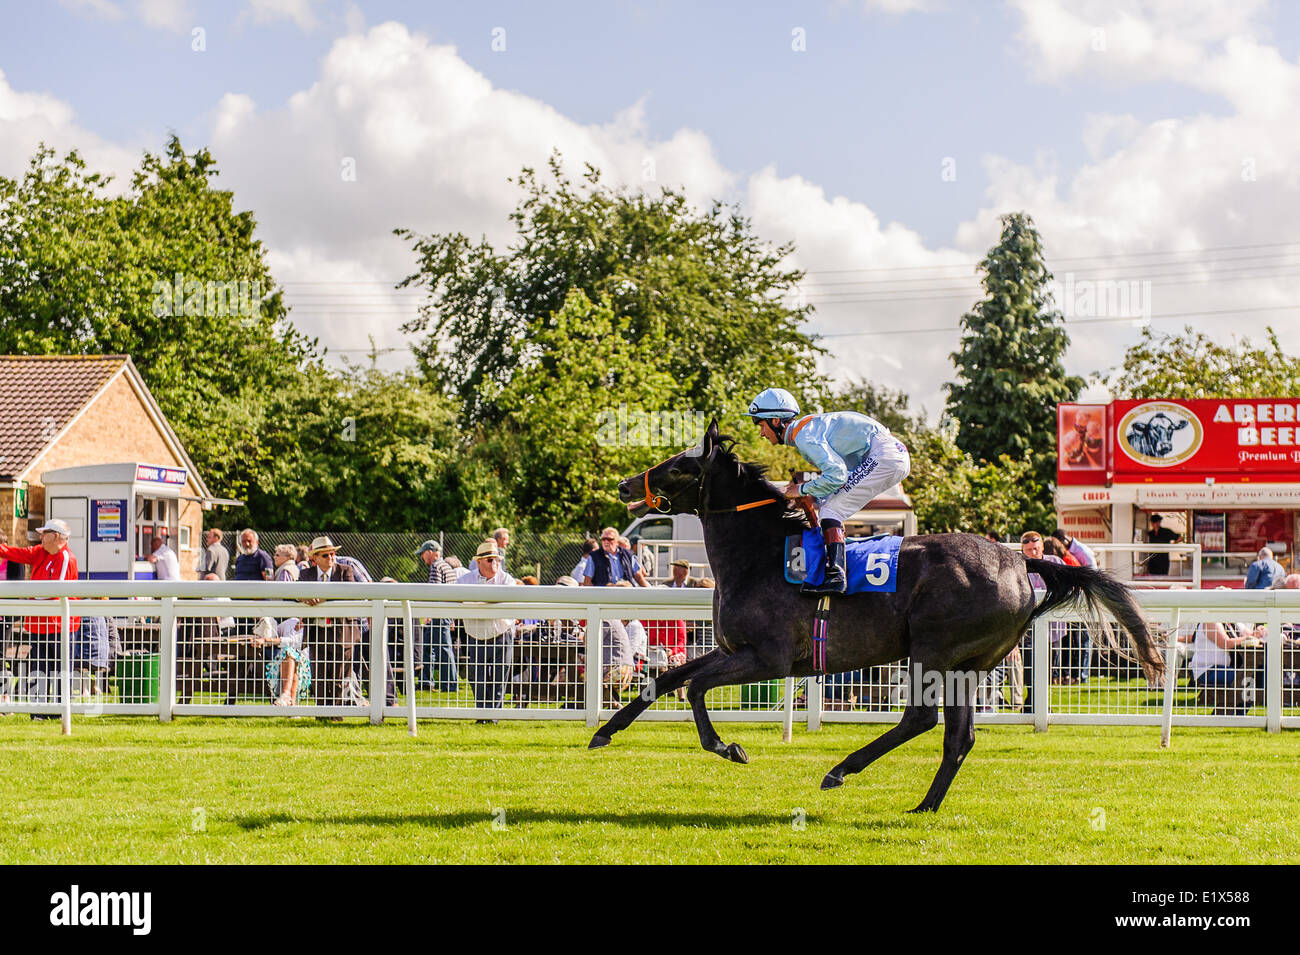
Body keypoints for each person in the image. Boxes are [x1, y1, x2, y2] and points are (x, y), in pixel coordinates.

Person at [745, 387, 910, 595]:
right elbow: (837, 479)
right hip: (887, 454)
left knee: (831, 510)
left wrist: (801, 489)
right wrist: (812, 495)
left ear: (775, 421)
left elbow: (837, 476)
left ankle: (837, 576)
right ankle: (835, 569)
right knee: (827, 506)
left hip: (884, 455)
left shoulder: (805, 437)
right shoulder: (806, 431)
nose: (761, 433)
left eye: (760, 424)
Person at [0, 519, 81, 713]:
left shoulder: (66, 558)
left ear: (56, 536)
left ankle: (61, 711)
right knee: (39, 668)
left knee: (61, 670)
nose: (40, 537)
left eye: (44, 534)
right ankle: (39, 711)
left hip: (60, 625)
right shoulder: (39, 552)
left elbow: (53, 590)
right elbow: (17, 553)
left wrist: (31, 596)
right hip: (39, 623)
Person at [298, 536, 363, 716]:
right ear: (315, 558)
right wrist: (305, 598)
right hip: (317, 630)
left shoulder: (345, 571)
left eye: (332, 554)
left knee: (340, 674)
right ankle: (321, 713)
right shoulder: (306, 574)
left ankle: (336, 714)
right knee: (319, 674)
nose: (331, 558)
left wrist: (322, 598)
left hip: (342, 631)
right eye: (325, 555)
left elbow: (348, 593)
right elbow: (295, 593)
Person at [460, 540, 517, 721]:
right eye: (490, 560)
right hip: (476, 633)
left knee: (500, 676)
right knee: (478, 677)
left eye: (497, 560)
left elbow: (505, 601)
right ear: (479, 562)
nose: (495, 564)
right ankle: (481, 714)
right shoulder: (465, 580)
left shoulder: (507, 579)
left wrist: (477, 603)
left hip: (502, 631)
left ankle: (494, 716)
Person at [415, 539, 459, 693]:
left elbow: (434, 592)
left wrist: (430, 612)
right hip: (447, 611)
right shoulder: (447, 566)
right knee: (429, 646)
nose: (422, 557)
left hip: (440, 612)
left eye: (423, 554)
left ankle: (450, 685)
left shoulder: (436, 566)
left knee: (444, 649)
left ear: (430, 552)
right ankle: (426, 681)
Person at [252, 616, 313, 706]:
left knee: (291, 655)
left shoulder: (309, 627)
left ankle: (286, 695)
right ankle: (290, 703)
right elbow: (274, 633)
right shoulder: (290, 622)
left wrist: (267, 640)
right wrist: (260, 637)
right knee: (290, 656)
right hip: (282, 662)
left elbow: (293, 642)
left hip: (304, 666)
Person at [581, 527, 649, 587]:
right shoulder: (594, 557)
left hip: (626, 593)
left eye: (609, 539)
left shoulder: (628, 554)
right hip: (604, 595)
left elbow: (638, 577)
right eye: (603, 539)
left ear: (617, 541)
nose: (606, 541)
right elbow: (587, 582)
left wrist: (647, 591)